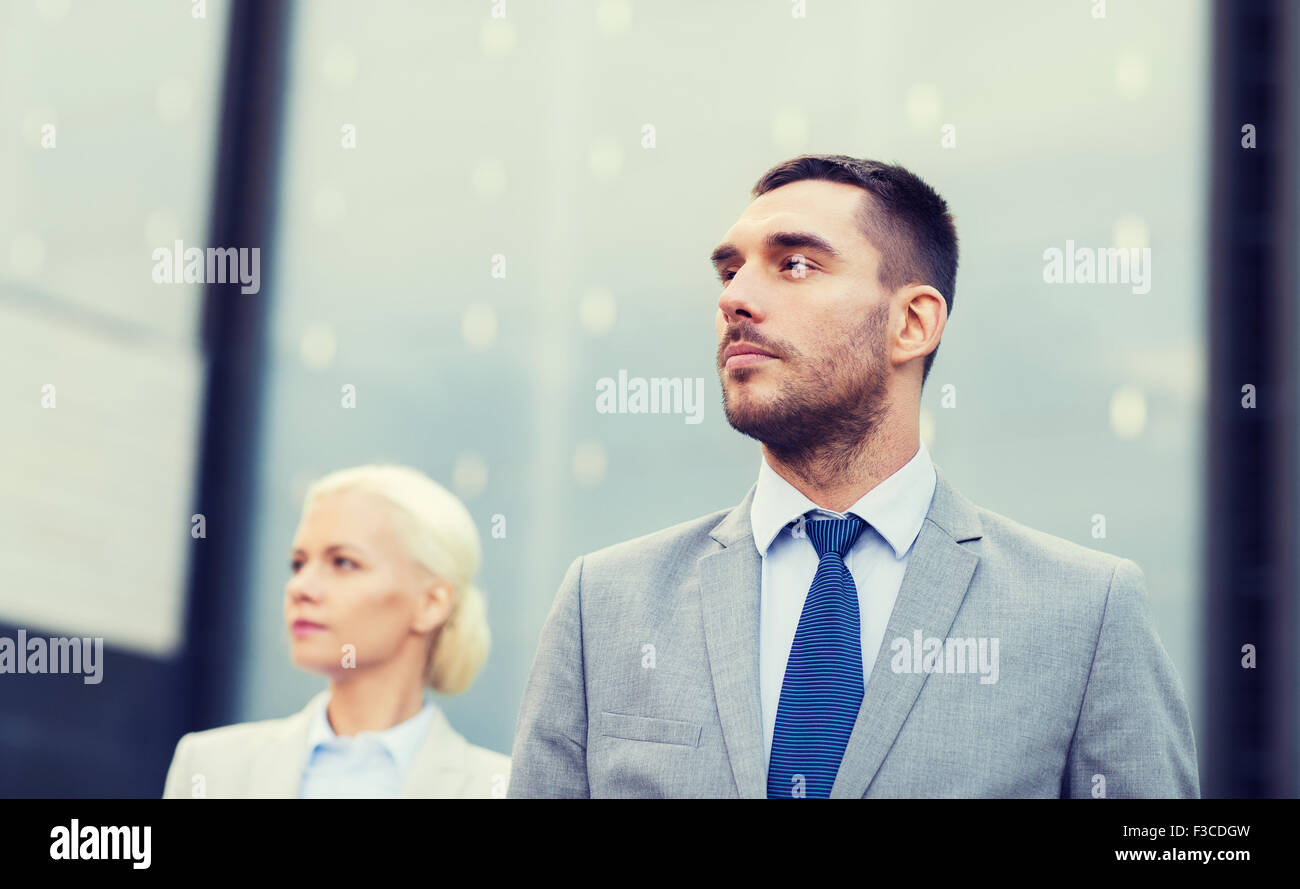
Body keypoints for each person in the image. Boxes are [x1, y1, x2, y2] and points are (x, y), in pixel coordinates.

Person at [509, 154, 1200, 799]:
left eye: (796, 264)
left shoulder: (1085, 613)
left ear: (912, 321)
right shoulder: (602, 605)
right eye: (728, 272)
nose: (736, 298)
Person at [164, 464, 509, 798]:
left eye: (343, 562)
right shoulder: (210, 768)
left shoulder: (504, 788)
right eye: (298, 564)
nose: (300, 587)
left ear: (431, 603)